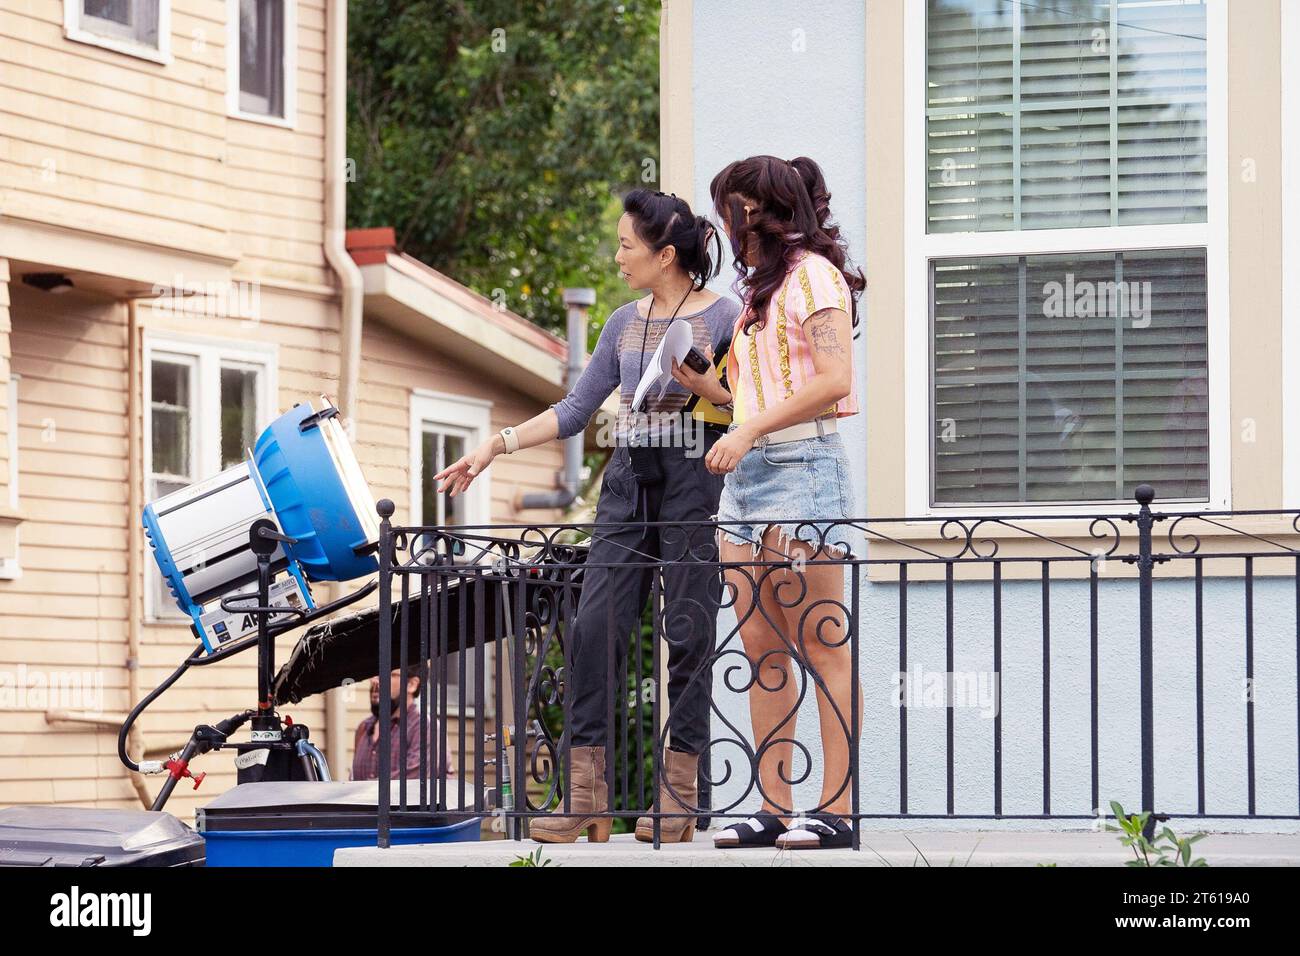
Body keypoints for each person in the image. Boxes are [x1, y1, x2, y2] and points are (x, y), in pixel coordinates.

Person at [433, 189, 740, 843]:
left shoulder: (725, 317)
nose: (618, 256)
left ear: (664, 254)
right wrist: (495, 444)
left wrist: (703, 386)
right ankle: (585, 797)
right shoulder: (622, 324)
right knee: (596, 626)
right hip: (629, 480)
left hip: (692, 477)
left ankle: (680, 800)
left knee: (687, 633)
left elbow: (740, 407)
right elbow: (575, 410)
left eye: (627, 245)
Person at [704, 155, 865, 849]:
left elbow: (833, 378)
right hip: (747, 476)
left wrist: (748, 429)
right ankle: (774, 806)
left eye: (730, 208)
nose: (725, 223)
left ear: (758, 210)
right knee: (761, 643)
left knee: (822, 640)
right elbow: (756, 392)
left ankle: (838, 811)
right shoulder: (756, 294)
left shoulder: (816, 277)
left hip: (803, 464)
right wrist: (707, 392)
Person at [350, 664, 452, 781]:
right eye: (375, 674)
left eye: (387, 674)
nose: (375, 681)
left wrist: (360, 792)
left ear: (411, 684)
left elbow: (411, 784)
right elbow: (353, 782)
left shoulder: (425, 727)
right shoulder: (364, 728)